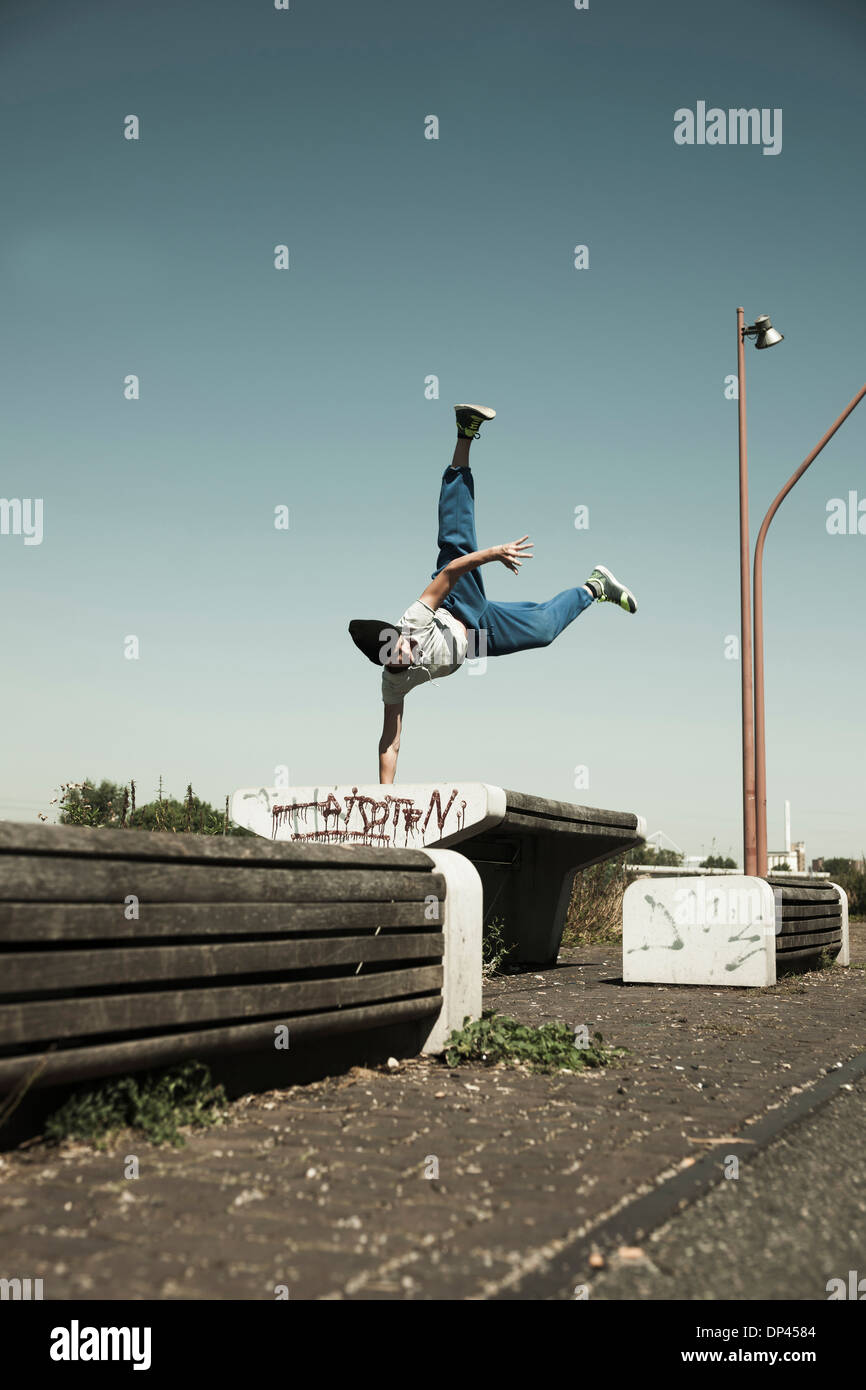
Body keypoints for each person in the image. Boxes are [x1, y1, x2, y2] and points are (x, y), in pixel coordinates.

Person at [349, 405, 637, 784]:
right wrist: (385, 798)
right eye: (398, 654)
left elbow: (452, 572)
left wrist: (495, 554)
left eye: (402, 643)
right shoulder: (392, 684)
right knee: (543, 630)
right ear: (385, 662)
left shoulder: (413, 622)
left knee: (456, 541)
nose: (406, 650)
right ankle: (595, 586)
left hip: (457, 604)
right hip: (474, 640)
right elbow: (390, 741)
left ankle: (464, 433)